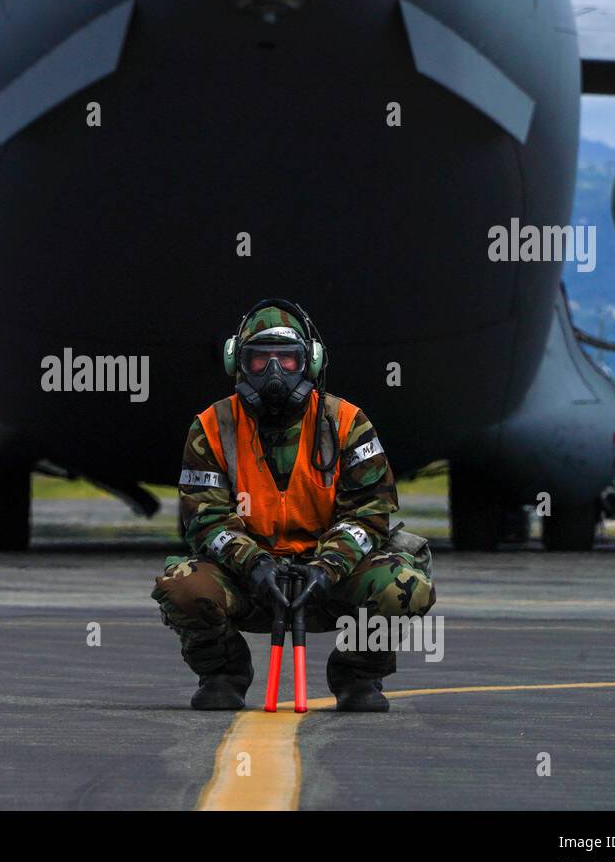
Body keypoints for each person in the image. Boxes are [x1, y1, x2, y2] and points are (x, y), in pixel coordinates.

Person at [152, 299, 435, 712]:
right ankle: (223, 673)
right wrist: (254, 563)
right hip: (248, 576)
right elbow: (205, 521)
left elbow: (370, 515)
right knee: (183, 586)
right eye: (259, 360)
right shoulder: (211, 427)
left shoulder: (348, 422)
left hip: (330, 574)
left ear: (311, 363)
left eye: (286, 360)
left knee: (404, 587)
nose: (272, 372)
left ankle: (358, 674)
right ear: (237, 363)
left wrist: (326, 568)